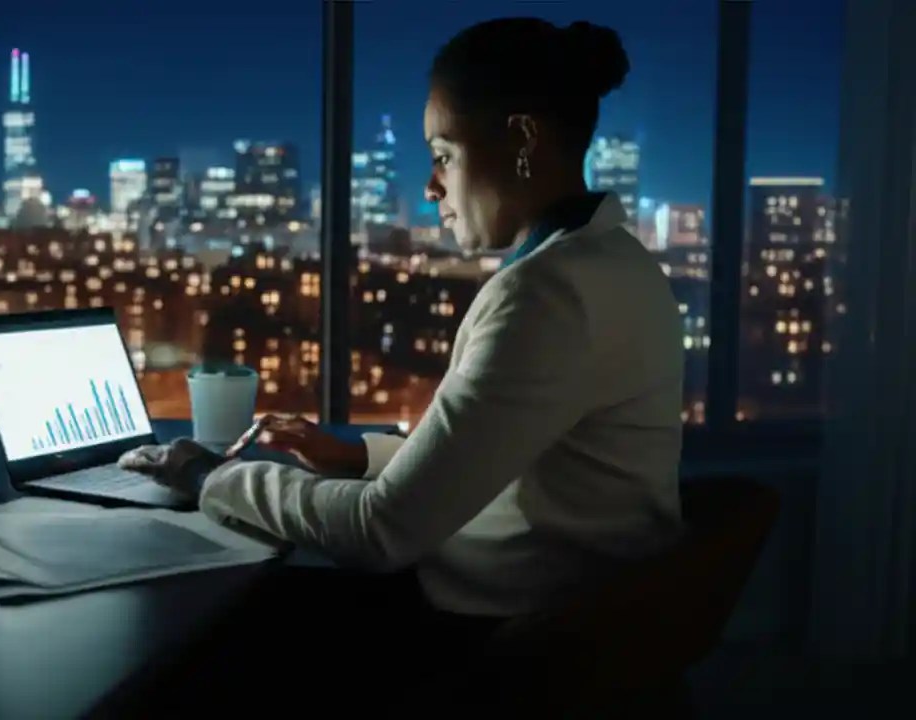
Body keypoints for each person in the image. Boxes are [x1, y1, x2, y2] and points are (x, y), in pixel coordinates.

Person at [120, 16, 685, 710]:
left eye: (443, 154)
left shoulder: (547, 295)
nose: (430, 186)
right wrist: (359, 457)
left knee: (193, 655)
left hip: (513, 646)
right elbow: (507, 460)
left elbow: (379, 532)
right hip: (580, 621)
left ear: (522, 139)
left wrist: (211, 475)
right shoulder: (615, 261)